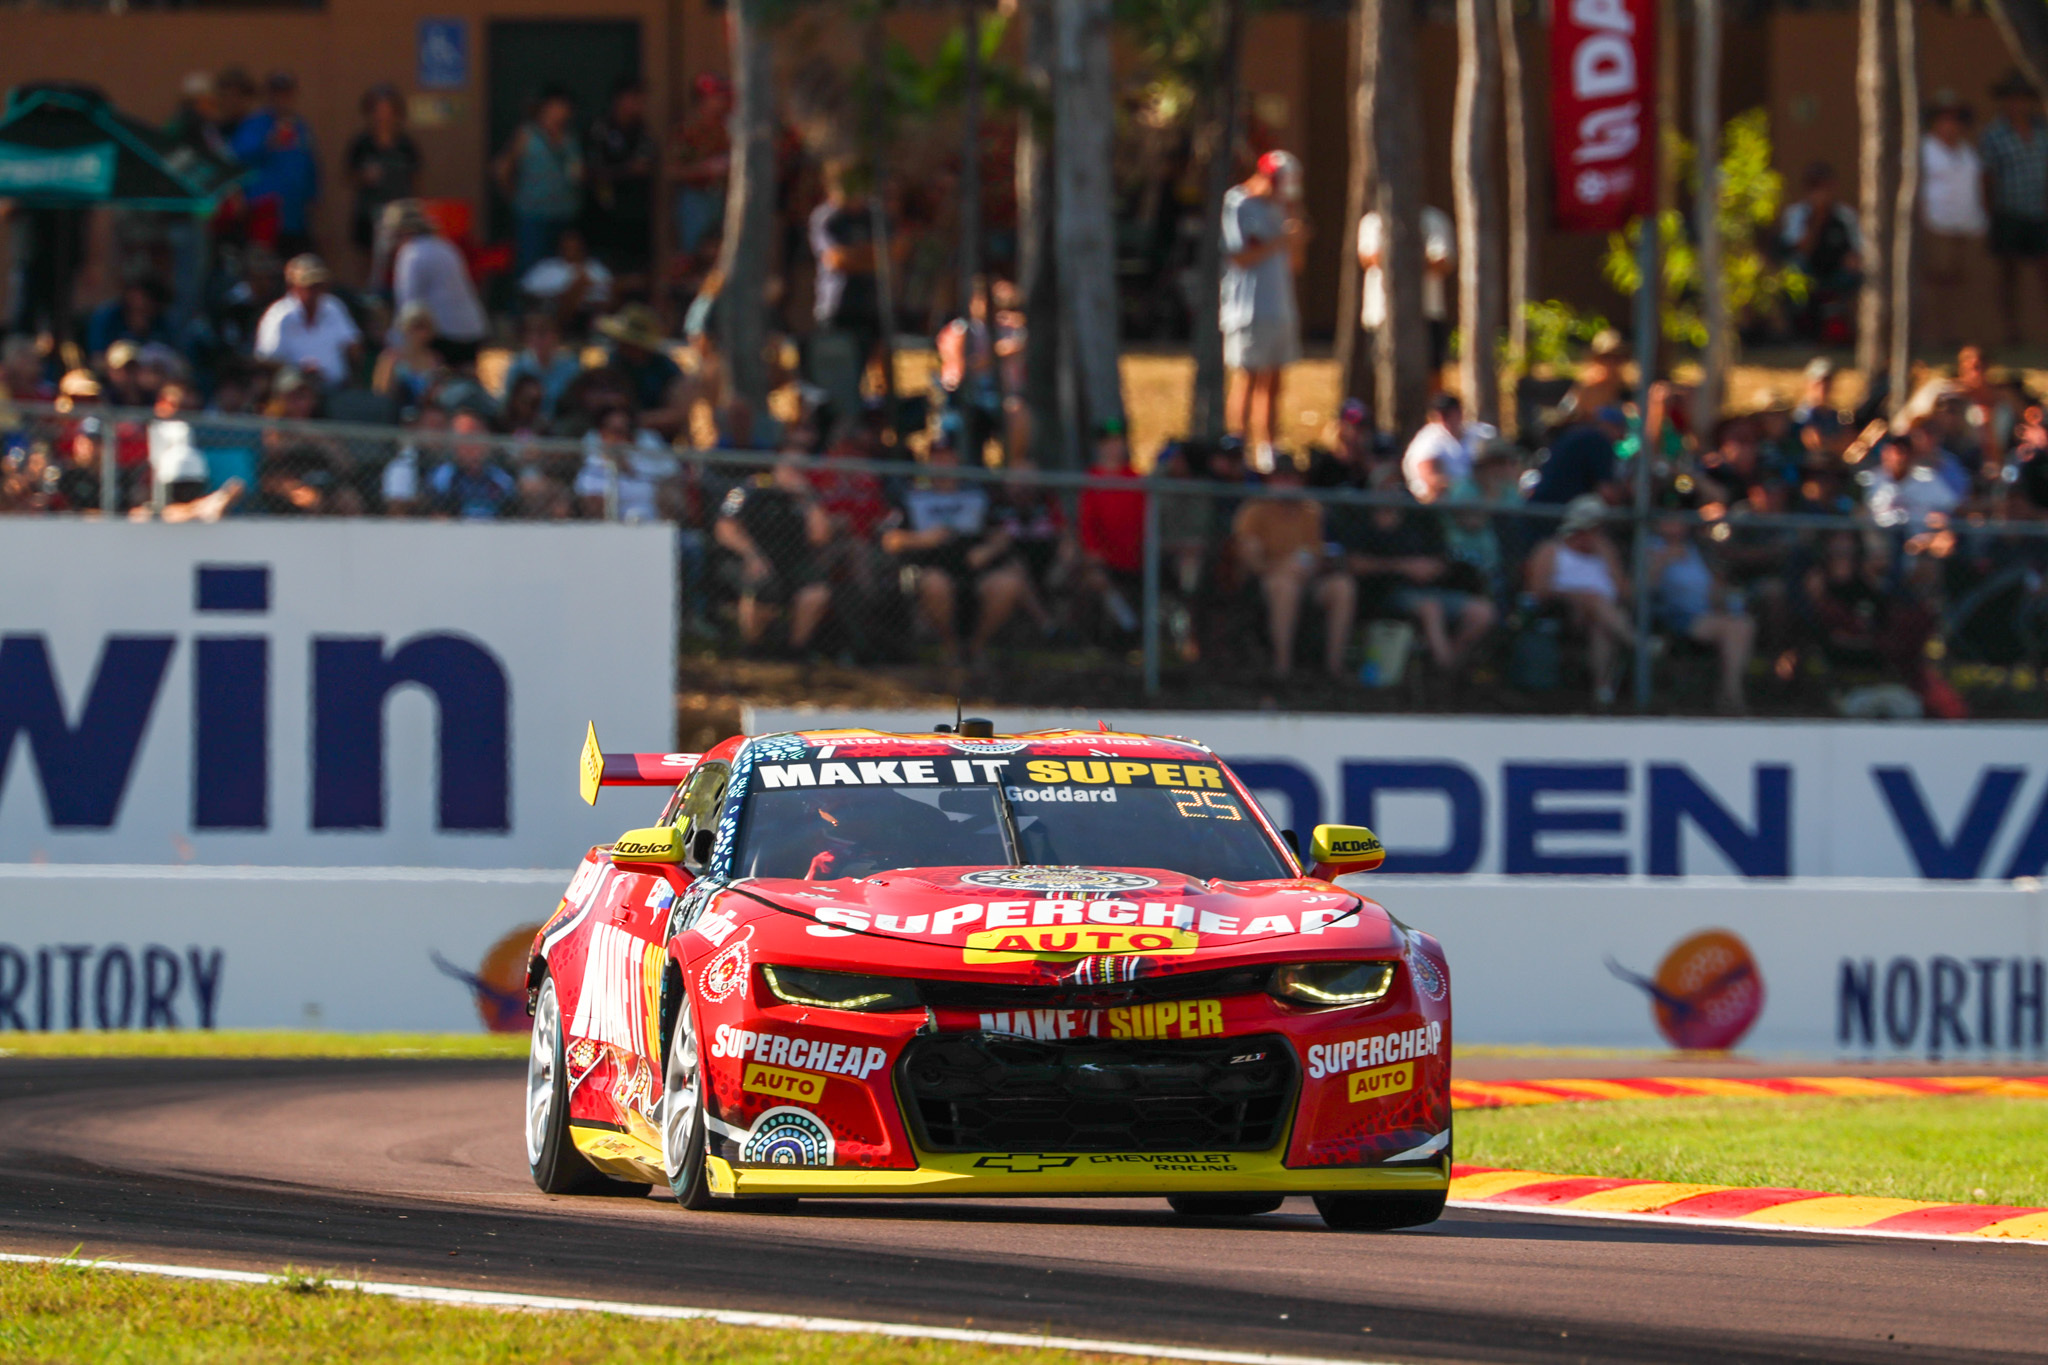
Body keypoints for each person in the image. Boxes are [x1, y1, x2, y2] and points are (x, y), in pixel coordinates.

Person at [1232, 458, 1356, 678]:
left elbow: (1317, 552)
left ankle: (1334, 667)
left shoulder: (1311, 511)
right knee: (1286, 587)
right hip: (1268, 579)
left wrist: (1309, 566)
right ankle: (1282, 667)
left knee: (1342, 587)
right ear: (1270, 481)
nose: (1286, 484)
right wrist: (1284, 566)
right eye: (1280, 478)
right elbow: (1252, 560)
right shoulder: (1254, 511)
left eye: (1292, 478)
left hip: (1307, 579)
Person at [1221, 151, 1304, 470]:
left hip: (1281, 307)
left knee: (1274, 382)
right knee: (1247, 378)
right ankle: (1236, 447)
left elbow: (1295, 265)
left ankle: (1268, 451)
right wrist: (1282, 239)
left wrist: (1295, 237)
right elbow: (1239, 256)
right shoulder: (1239, 202)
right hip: (1247, 308)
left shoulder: (1283, 209)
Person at [1526, 494, 1635, 706]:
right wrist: (1576, 595)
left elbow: (1626, 593)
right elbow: (1536, 590)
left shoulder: (1606, 551)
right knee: (1593, 600)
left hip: (1605, 614)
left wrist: (1609, 561)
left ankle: (1601, 690)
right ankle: (1637, 643)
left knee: (1601, 626)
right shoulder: (1551, 550)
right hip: (1565, 610)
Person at [716, 457, 834, 651]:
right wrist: (752, 555)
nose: (794, 473)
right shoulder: (745, 490)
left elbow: (821, 537)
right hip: (745, 558)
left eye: (800, 469)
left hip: (792, 561)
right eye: (790, 467)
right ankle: (752, 649)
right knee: (763, 587)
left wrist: (808, 499)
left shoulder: (806, 497)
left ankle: (794, 652)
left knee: (817, 592)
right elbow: (723, 528)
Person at [1648, 516, 1755, 714]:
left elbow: (1715, 588)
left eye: (1679, 520)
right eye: (1669, 520)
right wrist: (1662, 561)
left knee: (1743, 624)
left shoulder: (1698, 549)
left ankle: (1730, 692)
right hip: (1675, 614)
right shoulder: (1651, 546)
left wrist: (1719, 590)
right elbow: (1645, 589)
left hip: (1707, 611)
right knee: (1734, 627)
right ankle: (1731, 696)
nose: (1676, 526)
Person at [1981, 70, 2048, 346]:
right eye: (2012, 99)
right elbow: (1987, 177)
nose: (2018, 105)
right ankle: (2012, 332)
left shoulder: (2043, 130)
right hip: (2009, 212)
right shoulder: (1994, 135)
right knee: (2009, 277)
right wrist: (1991, 212)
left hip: (2041, 212)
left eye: (2023, 99)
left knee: (2045, 274)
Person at [1918, 90, 1987, 349]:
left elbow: (1977, 186)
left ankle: (1954, 335)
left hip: (1965, 226)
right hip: (1935, 226)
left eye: (1956, 119)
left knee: (1958, 284)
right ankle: (1931, 336)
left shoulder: (1967, 152)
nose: (1951, 125)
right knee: (1935, 281)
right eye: (1945, 118)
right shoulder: (1923, 150)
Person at [1358, 203, 1455, 385]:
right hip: (1380, 313)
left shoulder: (1434, 219)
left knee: (1432, 371)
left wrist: (1398, 257)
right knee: (1381, 371)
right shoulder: (1372, 221)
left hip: (1427, 312)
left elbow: (1442, 263)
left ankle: (1433, 413)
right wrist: (1417, 258)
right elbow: (1369, 258)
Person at [493, 86, 584, 274]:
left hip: (564, 214)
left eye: (565, 108)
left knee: (561, 271)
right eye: (557, 106)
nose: (561, 112)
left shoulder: (569, 139)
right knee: (532, 270)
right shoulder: (527, 135)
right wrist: (515, 198)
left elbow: (577, 171)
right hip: (533, 216)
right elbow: (501, 169)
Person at [385, 200, 487, 367]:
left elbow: (408, 308)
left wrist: (393, 344)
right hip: (473, 330)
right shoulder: (446, 246)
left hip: (444, 337)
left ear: (402, 231)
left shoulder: (411, 254)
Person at [232, 72, 320, 257]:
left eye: (287, 94)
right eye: (277, 93)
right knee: (264, 266)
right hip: (264, 213)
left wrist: (313, 196)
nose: (282, 99)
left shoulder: (301, 127)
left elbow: (310, 165)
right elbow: (237, 158)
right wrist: (268, 143)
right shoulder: (255, 124)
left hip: (296, 215)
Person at [584, 78, 658, 285]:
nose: (639, 105)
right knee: (604, 273)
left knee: (637, 272)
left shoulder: (642, 131)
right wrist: (626, 170)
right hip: (604, 215)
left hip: (636, 214)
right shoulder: (600, 129)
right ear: (620, 99)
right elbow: (591, 170)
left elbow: (647, 163)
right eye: (635, 99)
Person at [1779, 162, 1862, 340]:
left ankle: (1840, 327)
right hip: (1808, 270)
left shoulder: (1846, 216)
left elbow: (1858, 250)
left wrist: (1853, 259)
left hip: (1836, 271)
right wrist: (1817, 219)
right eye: (1814, 186)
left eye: (1824, 187)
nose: (1820, 193)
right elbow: (1799, 250)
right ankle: (1800, 332)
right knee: (1793, 271)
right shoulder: (1796, 214)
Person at [253, 255, 361, 386]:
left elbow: (352, 344)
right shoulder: (279, 316)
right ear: (293, 286)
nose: (315, 291)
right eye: (309, 286)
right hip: (294, 390)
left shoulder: (333, 306)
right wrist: (298, 370)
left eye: (319, 285)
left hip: (335, 387)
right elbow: (265, 360)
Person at [346, 84, 421, 269]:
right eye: (377, 111)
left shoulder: (406, 145)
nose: (382, 116)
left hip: (400, 221)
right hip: (369, 217)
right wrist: (363, 177)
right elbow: (347, 177)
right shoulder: (361, 144)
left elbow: (417, 179)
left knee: (400, 266)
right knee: (368, 267)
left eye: (388, 111)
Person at [669, 75, 733, 261]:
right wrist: (704, 169)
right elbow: (671, 171)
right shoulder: (687, 129)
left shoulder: (726, 128)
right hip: (695, 198)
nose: (721, 101)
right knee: (691, 255)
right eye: (715, 96)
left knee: (722, 256)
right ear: (703, 99)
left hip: (721, 196)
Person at [1401, 392, 1495, 503]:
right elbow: (1430, 476)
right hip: (1440, 501)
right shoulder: (1428, 439)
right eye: (1439, 414)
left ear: (1460, 412)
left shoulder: (1480, 432)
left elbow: (1501, 463)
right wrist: (1461, 487)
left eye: (1448, 413)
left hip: (1480, 496)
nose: (1443, 418)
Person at [520, 226, 613, 333]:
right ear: (561, 248)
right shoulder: (547, 267)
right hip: (556, 312)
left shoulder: (595, 267)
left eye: (575, 247)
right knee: (576, 289)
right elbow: (526, 291)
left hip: (594, 310)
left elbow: (609, 288)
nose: (572, 250)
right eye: (568, 247)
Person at [427, 411, 518, 520]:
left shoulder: (501, 478)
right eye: (466, 440)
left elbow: (511, 514)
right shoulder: (443, 477)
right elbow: (439, 514)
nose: (472, 447)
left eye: (477, 437)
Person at [503, 310, 584, 421]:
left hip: (561, 426)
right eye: (531, 334)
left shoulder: (572, 367)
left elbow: (577, 404)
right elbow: (508, 403)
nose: (536, 339)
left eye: (542, 334)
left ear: (556, 335)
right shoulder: (517, 366)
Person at [372, 302, 445, 405]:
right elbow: (380, 393)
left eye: (424, 326)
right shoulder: (389, 358)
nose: (420, 332)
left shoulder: (436, 359)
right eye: (415, 326)